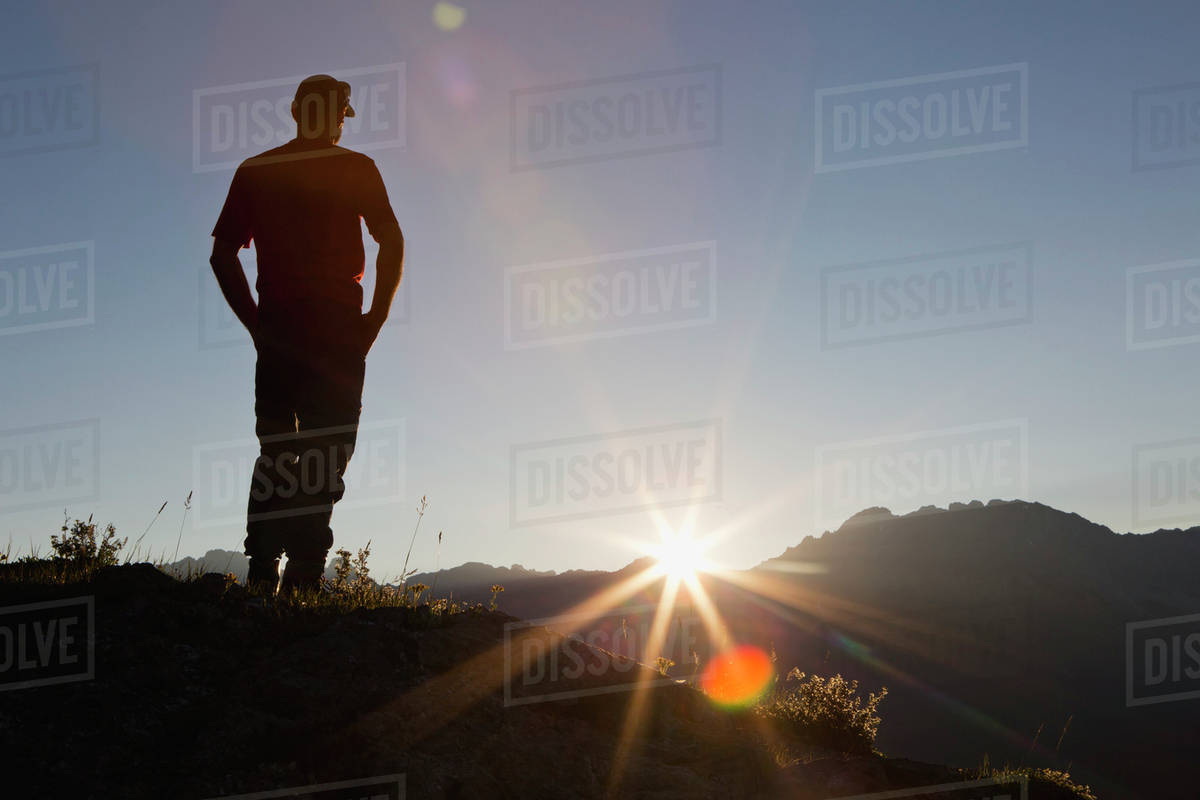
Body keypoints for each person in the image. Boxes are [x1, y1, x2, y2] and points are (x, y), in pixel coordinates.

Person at [209, 74, 404, 596]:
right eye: (341, 114)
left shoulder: (258, 170)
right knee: (328, 449)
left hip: (280, 326)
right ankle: (302, 581)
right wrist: (376, 318)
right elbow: (392, 240)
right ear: (338, 116)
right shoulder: (357, 168)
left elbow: (222, 253)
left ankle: (262, 575)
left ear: (296, 112)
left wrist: (257, 326)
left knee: (277, 447)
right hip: (338, 327)